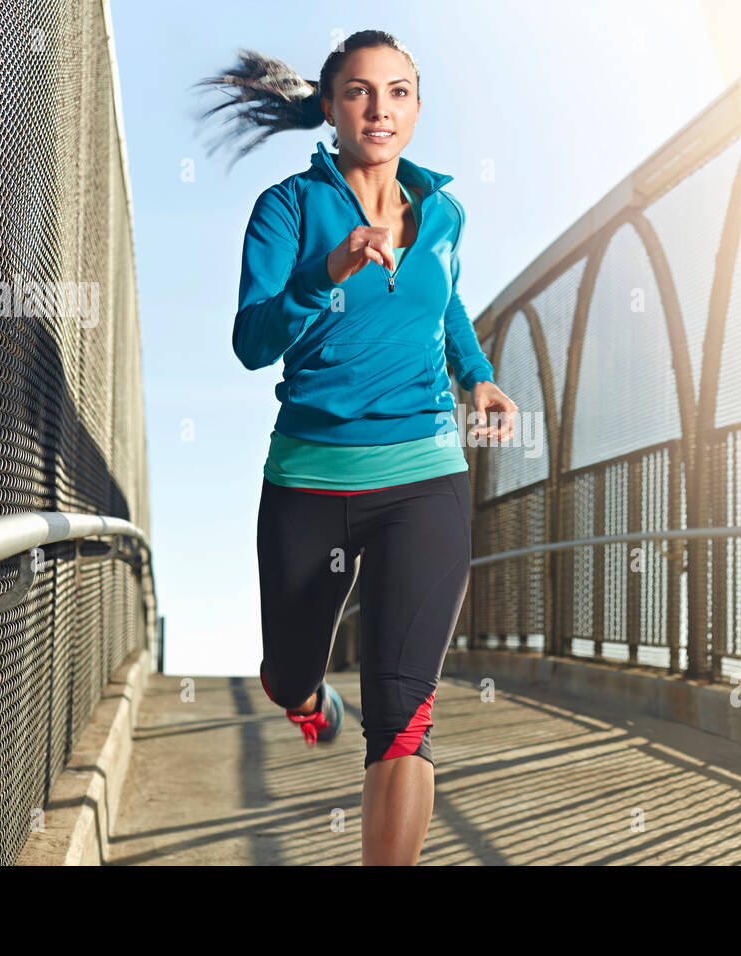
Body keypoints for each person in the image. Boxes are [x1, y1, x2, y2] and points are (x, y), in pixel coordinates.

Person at [199, 30, 518, 865]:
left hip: (425, 476)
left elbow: (445, 304)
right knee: (290, 671)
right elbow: (250, 340)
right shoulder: (289, 209)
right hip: (310, 480)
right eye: (360, 93)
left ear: (416, 106)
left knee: (404, 718)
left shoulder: (442, 211)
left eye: (399, 92)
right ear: (333, 107)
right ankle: (304, 697)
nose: (381, 108)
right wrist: (324, 275)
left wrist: (477, 375)